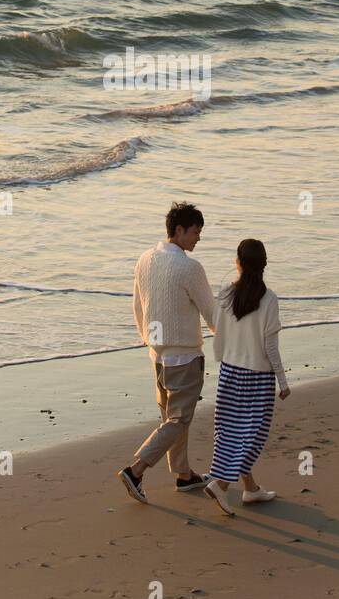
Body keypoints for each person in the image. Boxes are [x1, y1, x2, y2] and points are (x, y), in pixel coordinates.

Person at [117, 202, 216, 503]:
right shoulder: (189, 268)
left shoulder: (145, 259)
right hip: (184, 355)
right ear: (179, 230)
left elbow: (137, 305)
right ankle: (136, 470)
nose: (198, 238)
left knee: (171, 418)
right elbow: (212, 314)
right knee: (178, 420)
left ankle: (184, 475)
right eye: (195, 232)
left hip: (157, 355)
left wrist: (147, 339)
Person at [204, 238, 290, 517]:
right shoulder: (269, 299)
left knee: (230, 433)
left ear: (238, 263)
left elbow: (218, 330)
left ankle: (251, 489)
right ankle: (221, 483)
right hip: (257, 377)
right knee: (252, 435)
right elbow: (270, 346)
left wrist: (226, 356)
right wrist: (283, 380)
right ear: (264, 264)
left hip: (230, 371)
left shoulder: (227, 293)